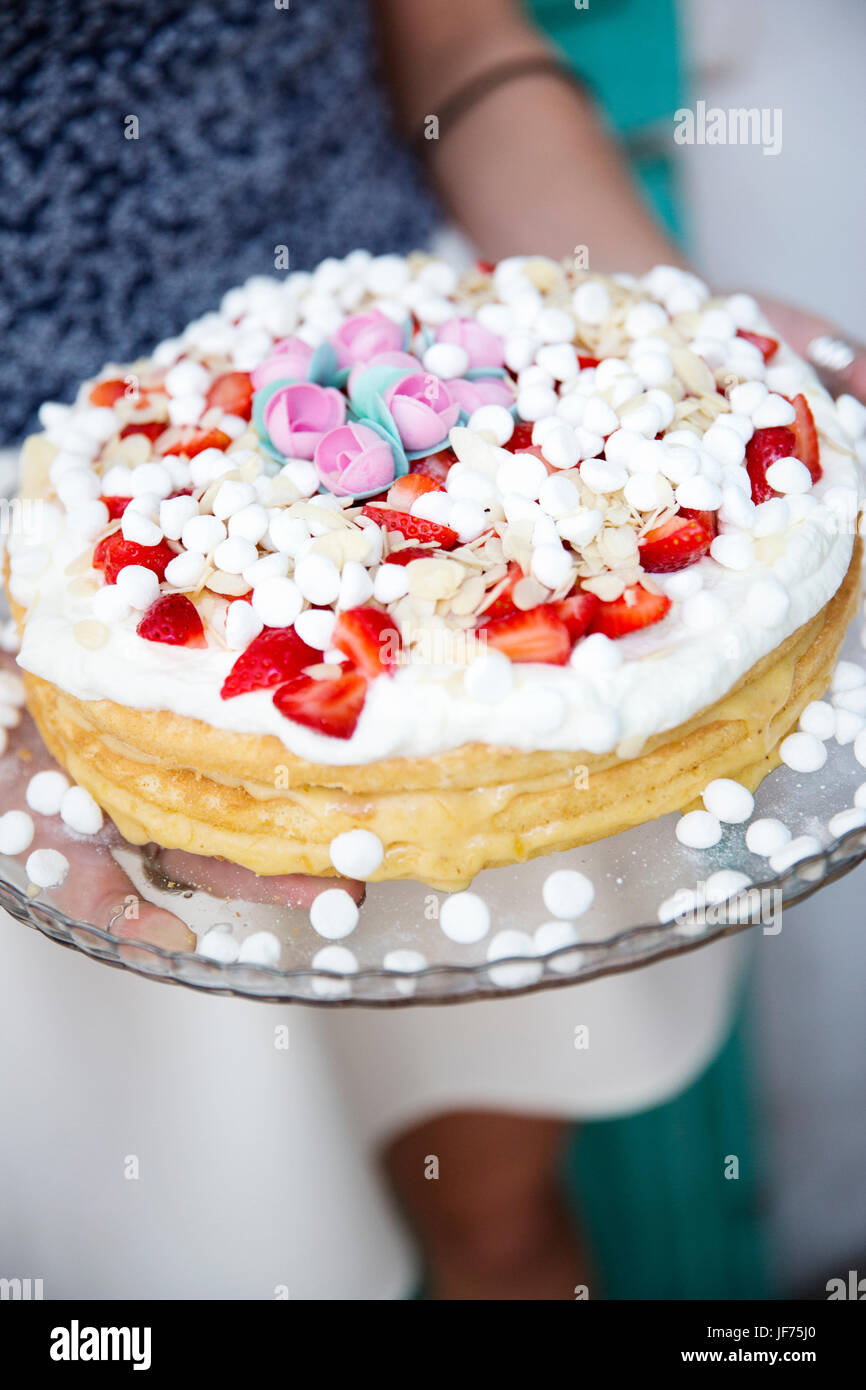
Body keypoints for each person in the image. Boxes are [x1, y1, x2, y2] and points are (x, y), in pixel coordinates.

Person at [1, 0, 863, 1300]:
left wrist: (671, 313)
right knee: (223, 1253)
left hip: (468, 364)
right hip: (68, 562)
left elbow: (453, 43)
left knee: (503, 1219)